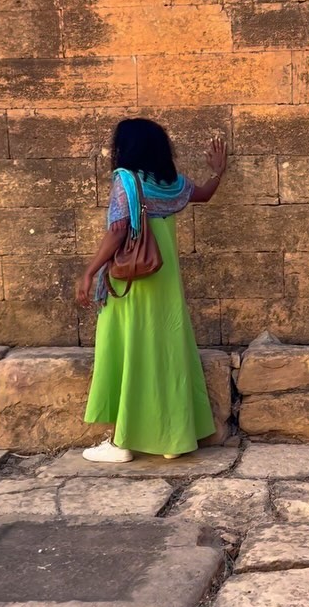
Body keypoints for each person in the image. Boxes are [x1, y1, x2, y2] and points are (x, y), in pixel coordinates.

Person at [76, 118, 227, 463]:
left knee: (129, 353)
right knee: (165, 353)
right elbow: (202, 194)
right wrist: (218, 171)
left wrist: (89, 272)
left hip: (132, 284)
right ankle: (173, 439)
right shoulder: (172, 184)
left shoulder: (125, 181)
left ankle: (122, 442)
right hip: (165, 283)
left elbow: (117, 232)